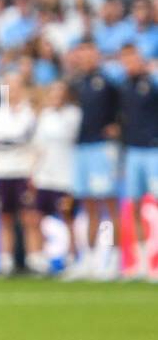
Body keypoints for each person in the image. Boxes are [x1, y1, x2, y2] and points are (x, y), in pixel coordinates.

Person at [65, 41, 121, 281]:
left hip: (101, 148)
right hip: (81, 148)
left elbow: (123, 110)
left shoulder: (107, 83)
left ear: (97, 55)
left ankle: (113, 259)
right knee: (87, 206)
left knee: (107, 206)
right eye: (82, 54)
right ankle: (88, 259)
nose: (86, 58)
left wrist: (118, 127)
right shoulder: (76, 84)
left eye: (90, 54)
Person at [0, 73, 38, 276]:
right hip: (2, 171)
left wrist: (12, 141)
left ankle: (34, 259)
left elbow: (23, 136)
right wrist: (13, 142)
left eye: (16, 87)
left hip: (23, 170)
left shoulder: (28, 112)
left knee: (29, 217)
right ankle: (6, 260)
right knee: (4, 217)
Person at [29, 79, 81, 274]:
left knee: (68, 217)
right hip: (45, 175)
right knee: (37, 217)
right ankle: (40, 258)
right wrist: (33, 173)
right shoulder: (44, 115)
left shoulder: (73, 115)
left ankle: (73, 256)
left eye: (60, 92)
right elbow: (38, 147)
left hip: (65, 175)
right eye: (53, 92)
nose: (56, 96)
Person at [117, 43, 158, 280]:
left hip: (153, 150)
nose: (129, 64)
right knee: (134, 206)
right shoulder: (124, 87)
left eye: (133, 59)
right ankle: (142, 261)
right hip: (132, 151)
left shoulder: (151, 83)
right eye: (126, 60)